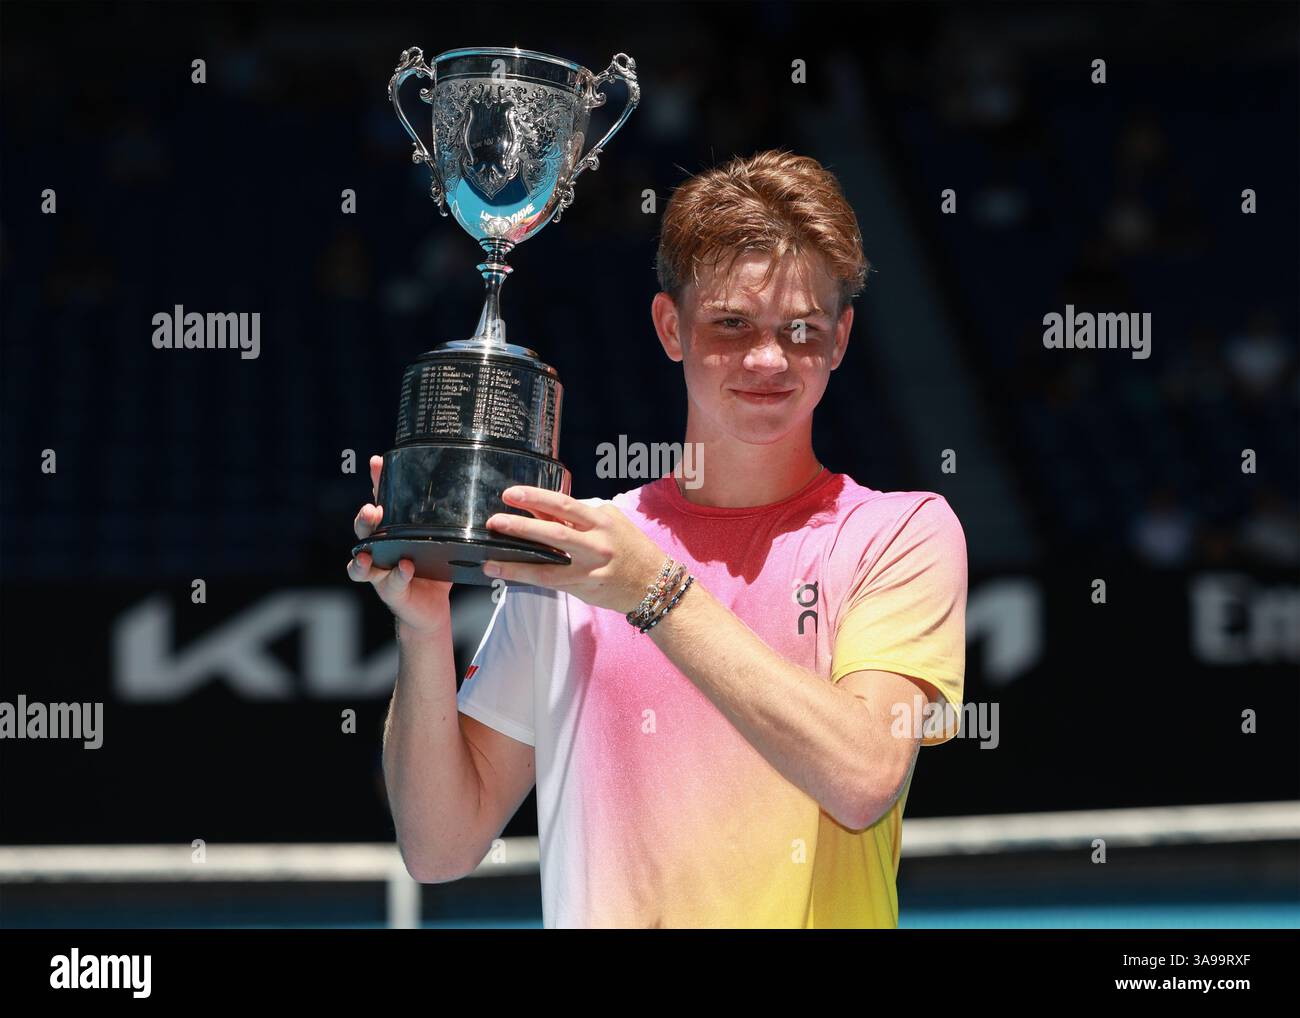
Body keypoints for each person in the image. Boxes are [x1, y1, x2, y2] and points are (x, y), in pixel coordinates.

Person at [349, 149, 968, 928]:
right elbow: (438, 848)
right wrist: (423, 623)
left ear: (841, 339)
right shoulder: (576, 550)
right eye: (733, 324)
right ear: (670, 326)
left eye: (802, 328)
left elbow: (864, 776)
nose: (770, 358)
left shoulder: (899, 534)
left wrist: (653, 589)